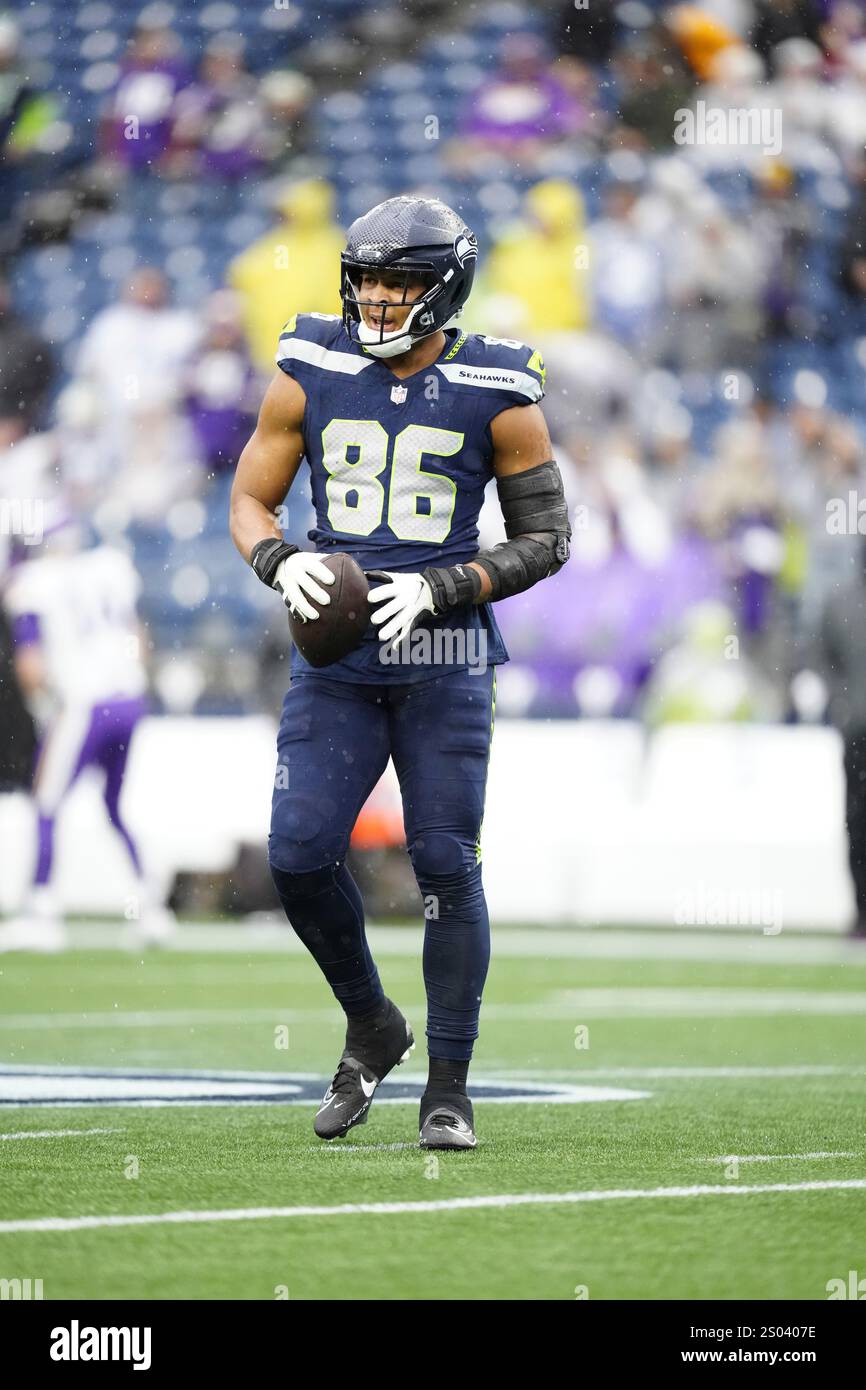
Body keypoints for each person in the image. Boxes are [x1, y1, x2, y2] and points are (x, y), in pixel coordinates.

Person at [230, 196, 571, 1149]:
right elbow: (252, 499)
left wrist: (447, 586)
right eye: (369, 280)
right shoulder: (309, 363)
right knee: (297, 854)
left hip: (446, 655)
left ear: (446, 287)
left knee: (441, 863)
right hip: (337, 657)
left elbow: (548, 539)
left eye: (401, 283)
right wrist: (278, 560)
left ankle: (449, 1088)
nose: (378, 301)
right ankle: (373, 1021)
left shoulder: (498, 385)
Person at [0, 521, 174, 951]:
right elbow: (139, 638)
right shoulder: (109, 566)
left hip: (85, 703)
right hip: (129, 699)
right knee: (114, 805)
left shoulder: (35, 582)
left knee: (45, 803)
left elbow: (30, 667)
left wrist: (51, 706)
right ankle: (151, 911)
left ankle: (41, 913)